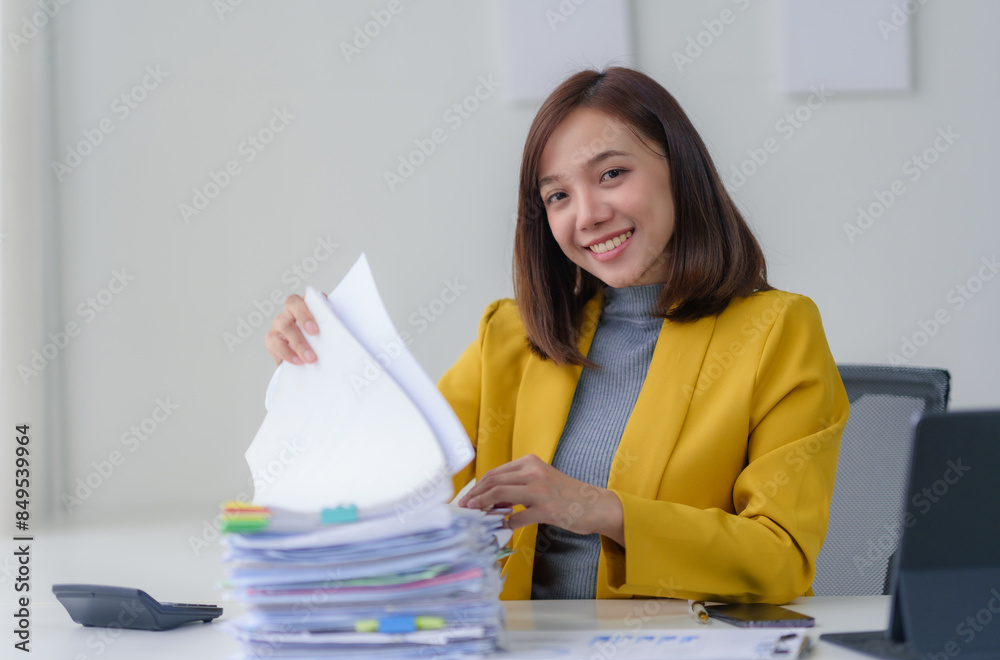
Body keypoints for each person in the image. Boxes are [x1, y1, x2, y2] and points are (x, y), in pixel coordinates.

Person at [265, 66, 849, 604]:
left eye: (612, 174)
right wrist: (324, 366)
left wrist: (600, 509)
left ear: (680, 170)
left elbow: (780, 558)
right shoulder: (511, 335)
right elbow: (401, 485)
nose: (587, 214)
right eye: (558, 196)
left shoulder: (777, 331)